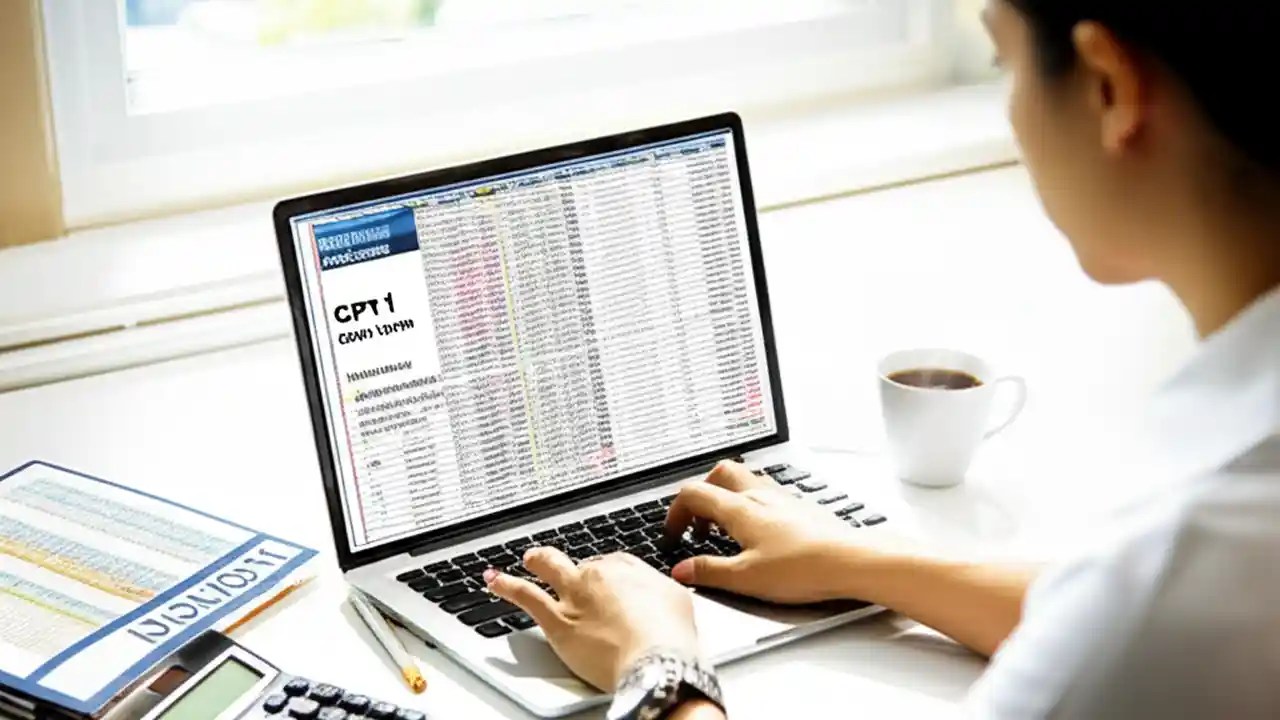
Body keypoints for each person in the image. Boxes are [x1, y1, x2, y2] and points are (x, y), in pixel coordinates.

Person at [483, 0, 1280, 716]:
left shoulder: (1187, 558)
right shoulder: (1214, 537)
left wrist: (658, 665)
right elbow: (1097, 612)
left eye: (1002, 60)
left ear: (1110, 88)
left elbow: (1134, 615)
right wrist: (859, 559)